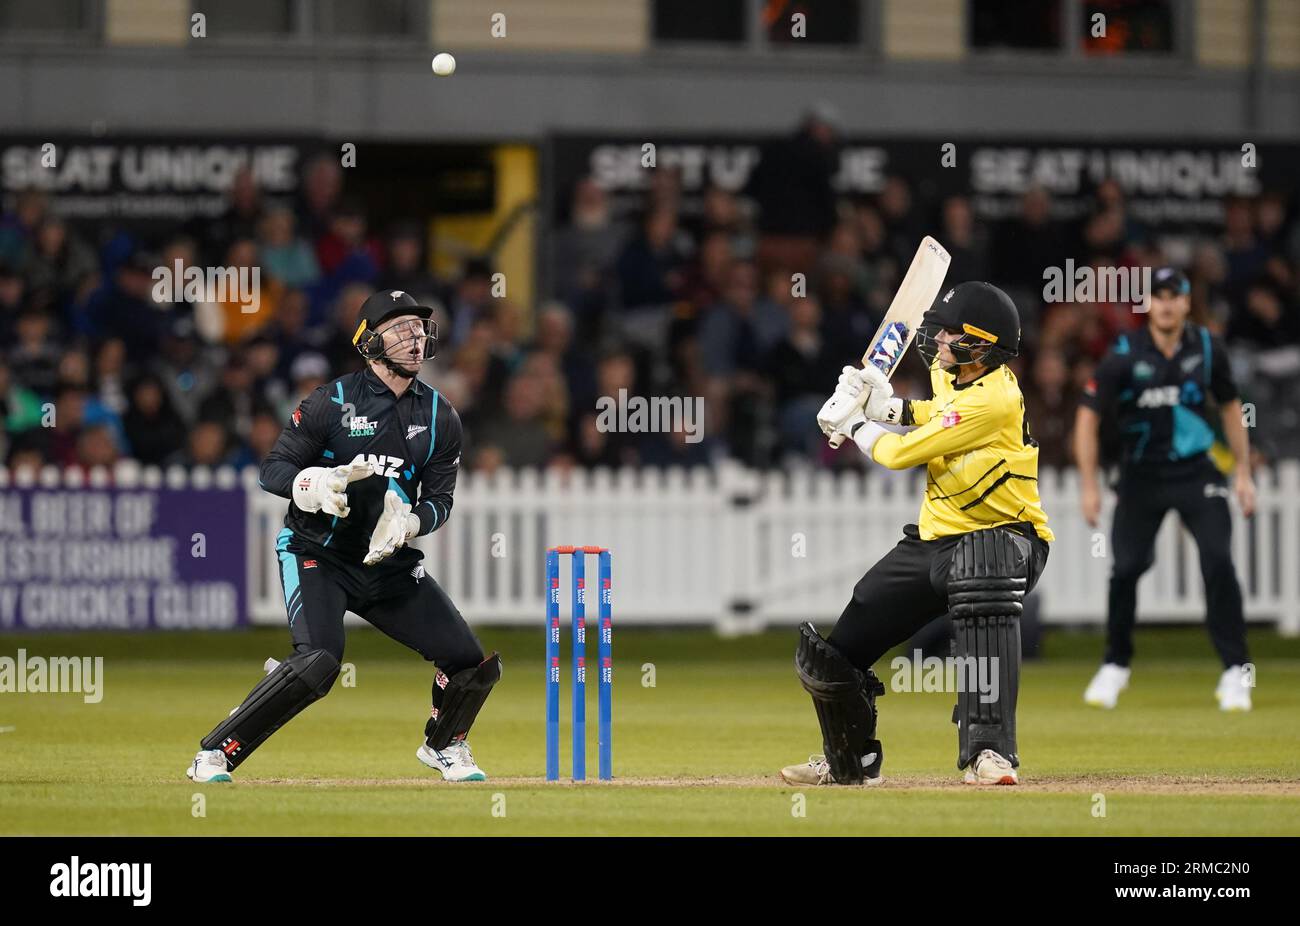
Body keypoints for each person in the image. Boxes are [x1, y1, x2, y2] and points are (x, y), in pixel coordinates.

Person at [186, 290, 498, 783]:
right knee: (318, 663)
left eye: (418, 330)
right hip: (317, 553)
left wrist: (412, 523)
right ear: (369, 341)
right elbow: (273, 470)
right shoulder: (330, 402)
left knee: (471, 663)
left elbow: (441, 499)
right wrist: (312, 484)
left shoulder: (442, 416)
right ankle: (216, 752)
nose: (414, 339)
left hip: (383, 561)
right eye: (400, 330)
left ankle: (445, 745)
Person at [783, 281, 1052, 786]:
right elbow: (933, 416)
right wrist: (886, 407)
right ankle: (850, 759)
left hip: (1009, 538)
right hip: (935, 539)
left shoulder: (995, 399)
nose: (939, 342)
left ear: (983, 343)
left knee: (982, 568)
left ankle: (990, 754)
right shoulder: (952, 372)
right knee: (837, 651)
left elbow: (903, 454)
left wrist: (855, 424)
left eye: (951, 334)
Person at [1074, 267, 1255, 711]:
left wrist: (1244, 474)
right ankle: (1116, 664)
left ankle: (1236, 671)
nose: (1167, 303)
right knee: (1127, 568)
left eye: (1175, 295)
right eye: (1159, 296)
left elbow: (1233, 410)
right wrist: (1089, 485)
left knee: (1218, 560)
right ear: (1148, 304)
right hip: (1140, 477)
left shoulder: (1209, 348)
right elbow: (1087, 417)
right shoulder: (1123, 351)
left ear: (1187, 302)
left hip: (1198, 473)